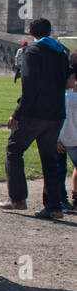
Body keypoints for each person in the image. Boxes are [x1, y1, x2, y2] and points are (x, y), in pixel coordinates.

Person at [0, 19, 71, 218]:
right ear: (50, 31)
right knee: (50, 160)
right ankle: (54, 206)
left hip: (35, 113)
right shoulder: (61, 53)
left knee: (14, 150)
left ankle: (17, 198)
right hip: (56, 114)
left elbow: (28, 85)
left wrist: (17, 113)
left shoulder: (33, 52)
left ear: (31, 32)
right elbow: (66, 80)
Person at [55, 54, 77, 210]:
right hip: (74, 139)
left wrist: (56, 138)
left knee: (59, 172)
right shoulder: (72, 97)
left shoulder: (58, 97)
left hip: (60, 139)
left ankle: (61, 199)